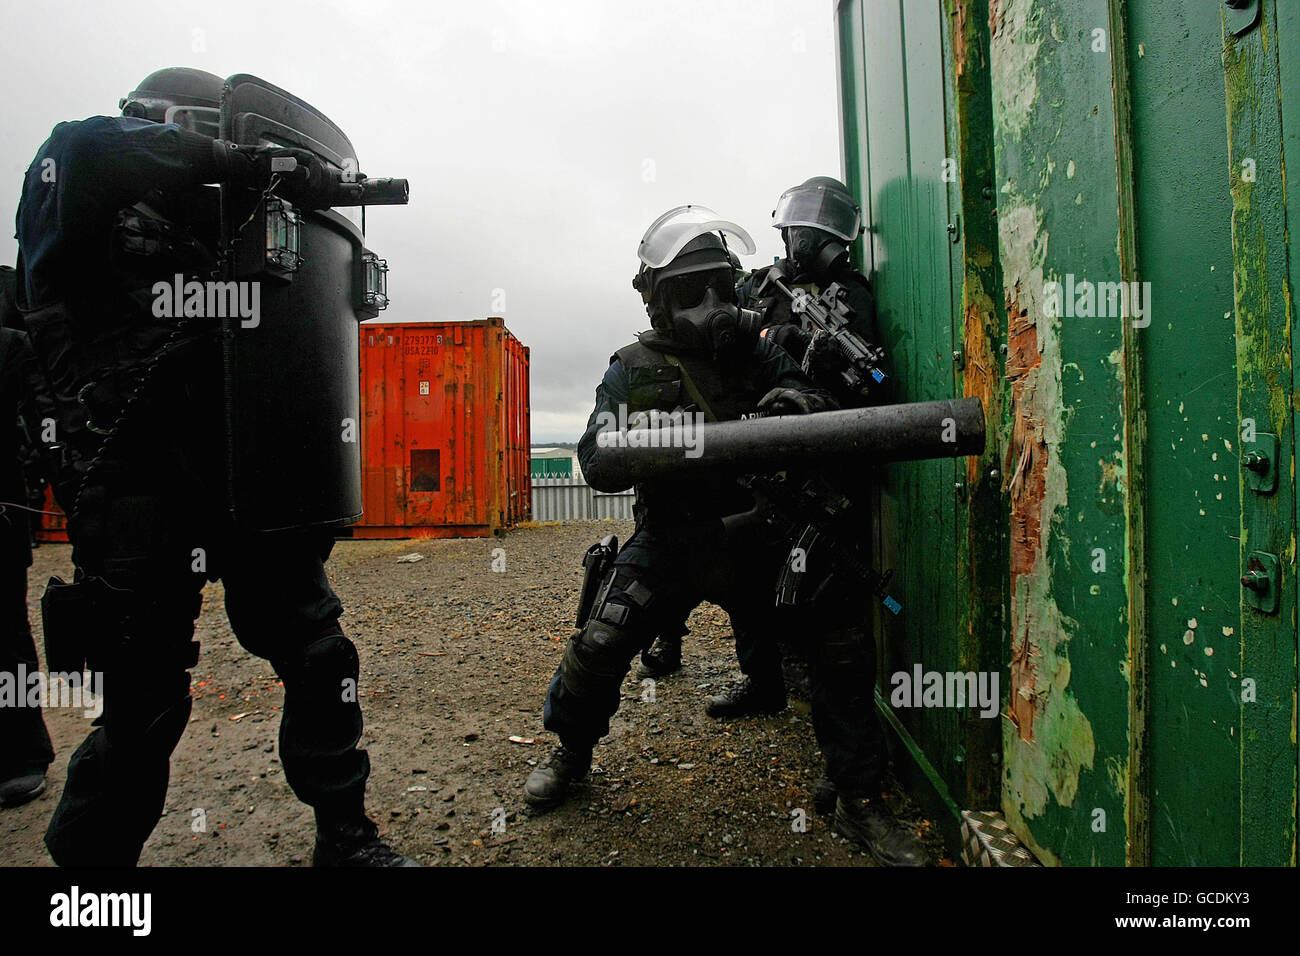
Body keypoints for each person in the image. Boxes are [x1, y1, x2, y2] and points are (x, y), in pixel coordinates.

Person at [15, 67, 415, 866]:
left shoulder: (230, 229)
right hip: (135, 485)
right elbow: (96, 146)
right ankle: (90, 883)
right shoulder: (81, 175)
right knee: (144, 704)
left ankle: (345, 833)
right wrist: (249, 159)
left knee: (319, 656)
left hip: (247, 473)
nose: (213, 151)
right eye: (200, 132)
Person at [523, 205, 835, 813]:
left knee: (836, 628)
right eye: (694, 292)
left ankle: (851, 782)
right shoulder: (633, 370)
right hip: (672, 539)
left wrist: (792, 404)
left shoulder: (755, 351)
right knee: (601, 642)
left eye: (722, 286)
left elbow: (813, 397)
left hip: (758, 530)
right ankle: (571, 751)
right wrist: (651, 444)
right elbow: (595, 459)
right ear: (661, 304)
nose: (714, 304)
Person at [0, 265, 55, 809]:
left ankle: (19, 753)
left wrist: (30, 497)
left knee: (3, 633)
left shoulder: (13, 346)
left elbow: (45, 428)